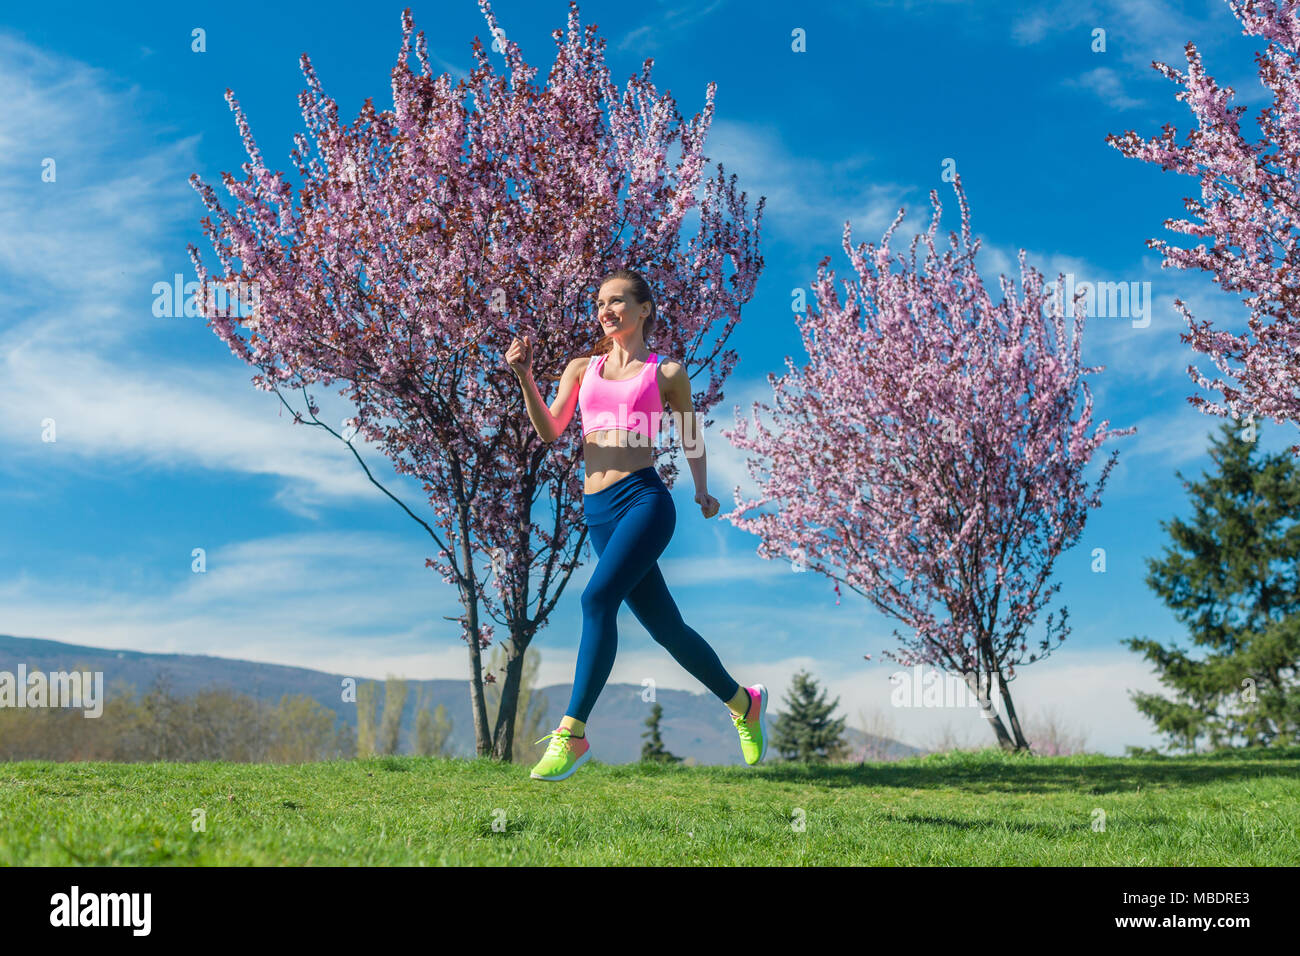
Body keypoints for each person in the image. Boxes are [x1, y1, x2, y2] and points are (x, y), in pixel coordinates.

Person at [505, 268, 767, 781]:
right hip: (598, 512)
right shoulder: (582, 369)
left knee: (595, 600)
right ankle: (743, 702)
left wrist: (702, 490)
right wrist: (524, 376)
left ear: (645, 309)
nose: (606, 310)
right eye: (601, 302)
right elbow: (551, 430)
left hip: (644, 501)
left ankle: (572, 733)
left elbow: (691, 434)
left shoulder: (664, 372)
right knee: (666, 628)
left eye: (618, 301)